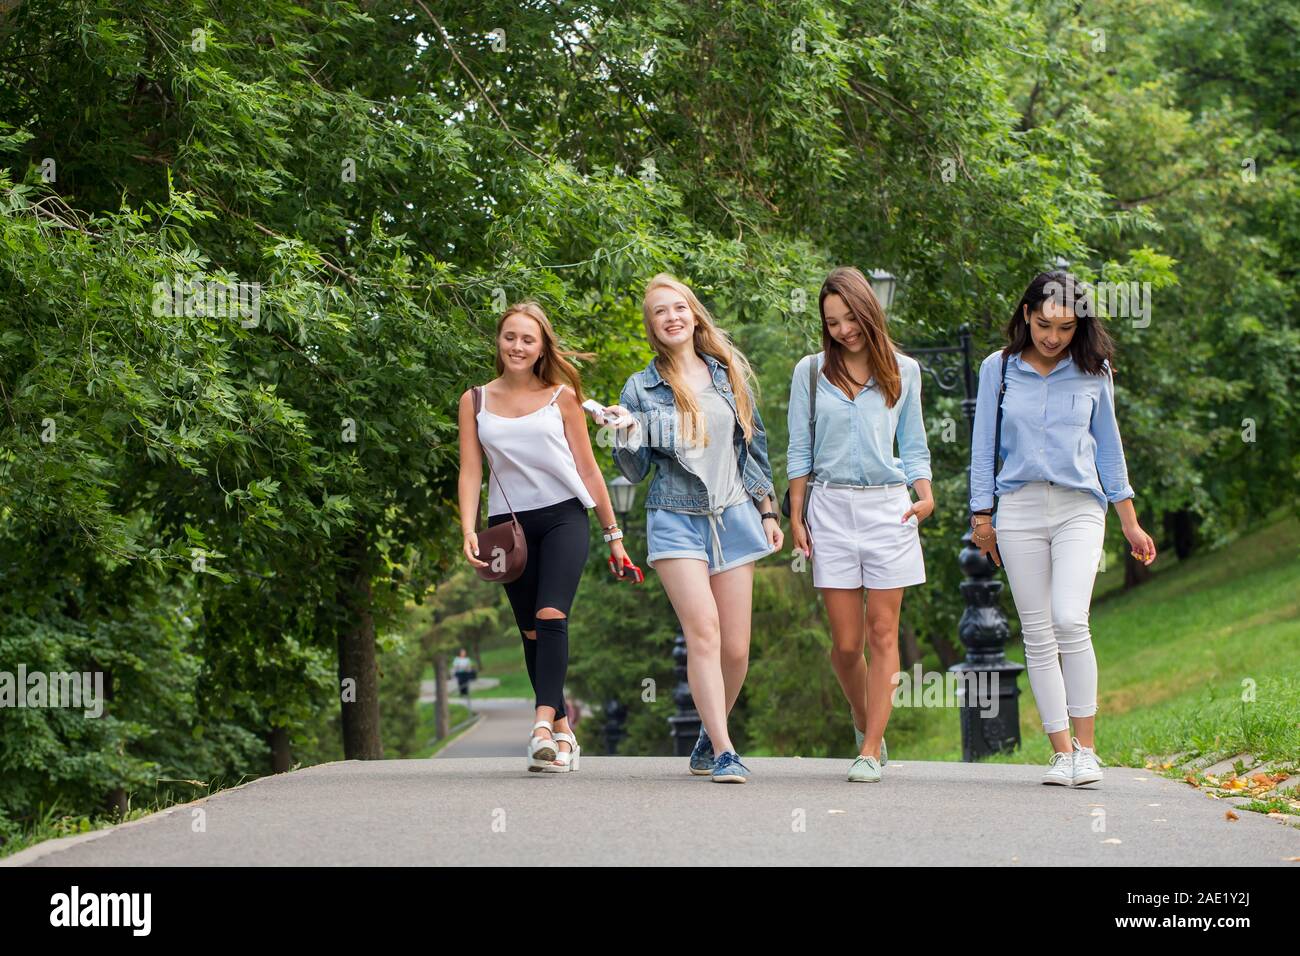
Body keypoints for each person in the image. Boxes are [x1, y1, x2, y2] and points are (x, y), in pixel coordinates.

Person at [969, 271, 1157, 788]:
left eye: (1067, 327)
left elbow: (1110, 449)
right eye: (1045, 323)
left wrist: (1131, 524)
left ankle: (1089, 748)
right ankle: (1061, 752)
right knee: (1036, 632)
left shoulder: (1095, 372)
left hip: (1079, 507)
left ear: (1081, 326)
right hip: (1019, 510)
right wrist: (981, 518)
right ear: (1026, 315)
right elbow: (983, 445)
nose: (1054, 336)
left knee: (1069, 619)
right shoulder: (999, 369)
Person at [604, 274, 783, 784]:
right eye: (660, 311)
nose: (672, 317)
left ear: (693, 314)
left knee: (737, 648)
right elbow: (635, 472)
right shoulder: (640, 387)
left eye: (678, 307)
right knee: (702, 631)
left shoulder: (727, 375)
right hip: (675, 518)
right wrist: (625, 433)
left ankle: (710, 731)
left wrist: (768, 511)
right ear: (652, 326)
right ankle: (726, 750)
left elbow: (754, 447)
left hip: (735, 515)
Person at [457, 301, 632, 773]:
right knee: (532, 632)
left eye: (527, 339)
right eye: (510, 336)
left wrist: (612, 533)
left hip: (563, 518)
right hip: (509, 529)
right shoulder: (475, 401)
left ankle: (538, 726)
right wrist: (468, 528)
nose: (517, 346)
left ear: (541, 348)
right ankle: (562, 730)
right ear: (499, 341)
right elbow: (471, 470)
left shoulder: (562, 397)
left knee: (551, 613)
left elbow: (588, 469)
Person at [786, 266, 933, 783]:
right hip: (829, 508)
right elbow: (800, 448)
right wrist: (796, 513)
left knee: (882, 631)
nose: (843, 329)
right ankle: (862, 716)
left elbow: (913, 445)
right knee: (847, 644)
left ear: (869, 312)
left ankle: (870, 748)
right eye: (832, 322)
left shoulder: (903, 370)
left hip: (888, 509)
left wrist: (926, 496)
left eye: (850, 318)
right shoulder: (810, 373)